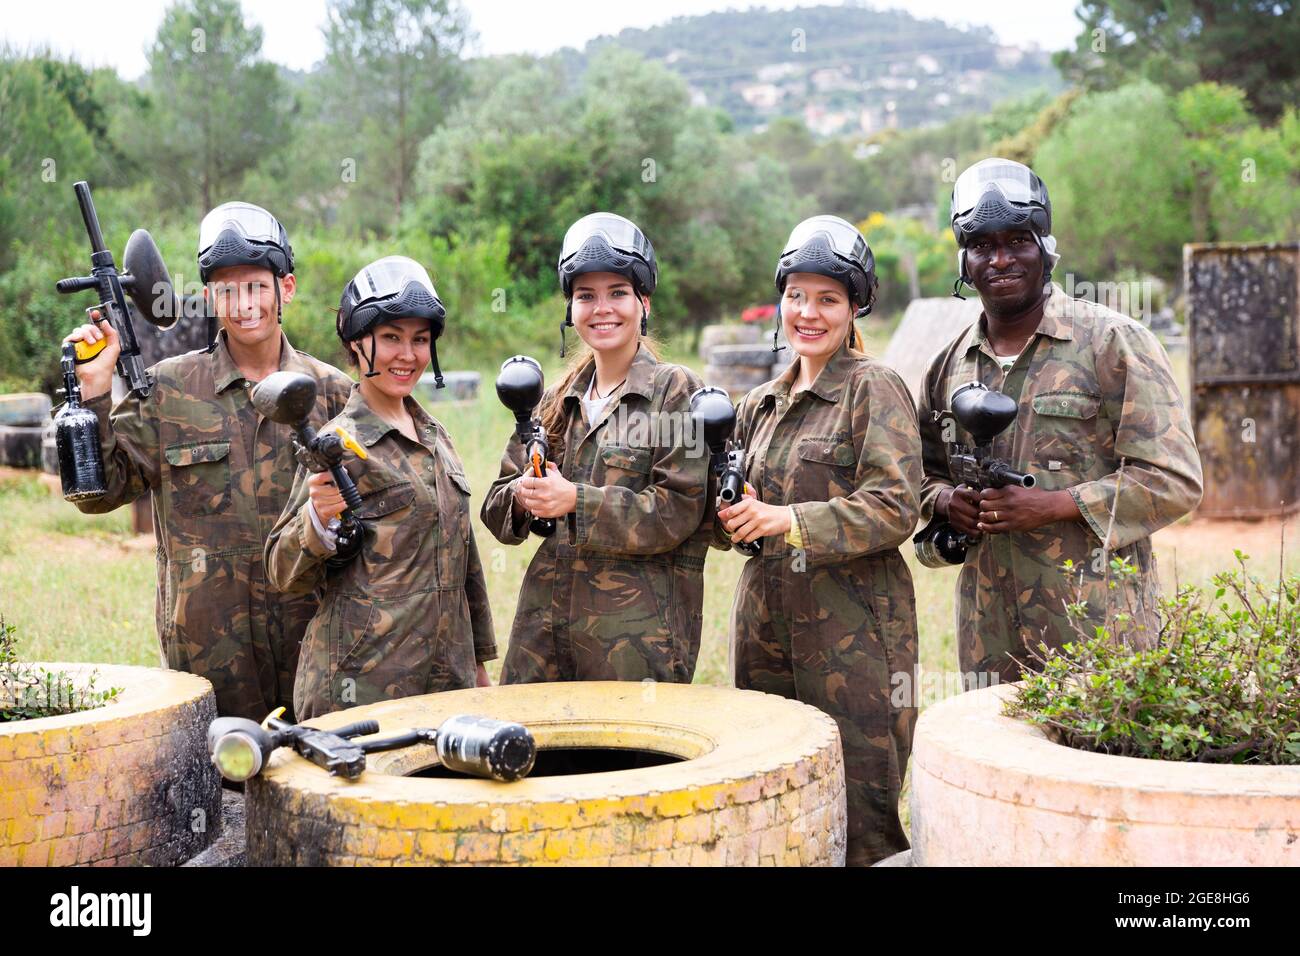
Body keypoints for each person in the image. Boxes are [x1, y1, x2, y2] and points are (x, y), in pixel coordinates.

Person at [917, 157, 1203, 684]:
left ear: (1045, 251)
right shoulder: (949, 364)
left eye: (1017, 241)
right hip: (988, 636)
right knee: (996, 760)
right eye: (983, 246)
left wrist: (1056, 505)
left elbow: (1174, 479)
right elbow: (919, 474)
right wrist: (945, 501)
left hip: (1099, 630)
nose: (1001, 259)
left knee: (1100, 765)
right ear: (965, 262)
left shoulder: (1113, 344)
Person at [62, 202, 352, 721]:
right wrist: (95, 391)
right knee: (213, 795)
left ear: (285, 289)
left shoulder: (332, 392)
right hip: (209, 664)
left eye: (257, 286)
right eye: (225, 288)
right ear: (207, 297)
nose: (243, 304)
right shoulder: (168, 391)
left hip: (318, 649)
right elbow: (100, 493)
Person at [714, 215, 923, 867]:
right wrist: (736, 516)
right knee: (776, 809)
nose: (808, 312)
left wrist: (789, 519)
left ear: (855, 305)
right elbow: (742, 517)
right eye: (796, 295)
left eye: (828, 298)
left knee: (864, 821)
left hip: (854, 639)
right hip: (765, 630)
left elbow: (896, 507)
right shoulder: (759, 405)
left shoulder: (873, 388)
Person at [480, 213, 710, 684]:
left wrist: (574, 500)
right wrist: (526, 495)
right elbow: (497, 509)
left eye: (617, 293)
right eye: (586, 296)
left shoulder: (674, 390)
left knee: (628, 758)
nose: (602, 308)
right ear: (571, 309)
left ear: (643, 302)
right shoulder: (557, 398)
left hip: (635, 648)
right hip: (543, 641)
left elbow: (678, 510)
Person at [263, 256, 495, 719]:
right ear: (356, 342)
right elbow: (281, 570)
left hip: (446, 685)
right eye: (390, 338)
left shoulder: (436, 436)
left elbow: (463, 558)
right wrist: (318, 519)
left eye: (420, 340)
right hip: (361, 688)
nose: (407, 355)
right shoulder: (338, 445)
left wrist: (479, 663)